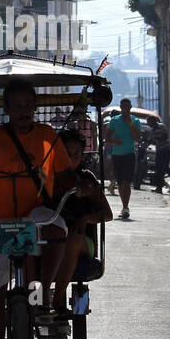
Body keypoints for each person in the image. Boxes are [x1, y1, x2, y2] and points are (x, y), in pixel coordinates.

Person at [0, 79, 82, 339]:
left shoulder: (47, 136)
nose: (23, 112)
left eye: (28, 107)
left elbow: (61, 176)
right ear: (6, 109)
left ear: (35, 108)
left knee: (56, 226)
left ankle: (41, 292)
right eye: (16, 107)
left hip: (34, 216)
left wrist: (72, 196)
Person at [53, 129, 114, 318]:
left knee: (72, 239)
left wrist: (86, 218)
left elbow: (108, 214)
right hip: (50, 239)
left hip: (80, 242)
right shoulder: (48, 176)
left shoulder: (87, 179)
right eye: (67, 154)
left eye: (76, 154)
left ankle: (58, 296)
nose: (71, 159)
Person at [106, 98, 143, 219]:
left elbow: (137, 138)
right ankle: (124, 206)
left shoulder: (136, 121)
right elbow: (107, 137)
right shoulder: (114, 121)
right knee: (120, 183)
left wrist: (130, 123)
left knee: (127, 182)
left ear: (130, 107)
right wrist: (114, 141)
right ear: (121, 108)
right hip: (117, 155)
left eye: (128, 107)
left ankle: (126, 207)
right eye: (124, 107)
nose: (126, 109)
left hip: (129, 154)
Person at [146, 115, 170, 192]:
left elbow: (162, 136)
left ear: (154, 121)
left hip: (165, 150)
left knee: (161, 168)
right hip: (159, 150)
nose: (148, 124)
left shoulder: (161, 127)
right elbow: (151, 140)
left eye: (149, 122)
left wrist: (153, 139)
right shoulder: (153, 129)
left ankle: (159, 187)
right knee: (163, 167)